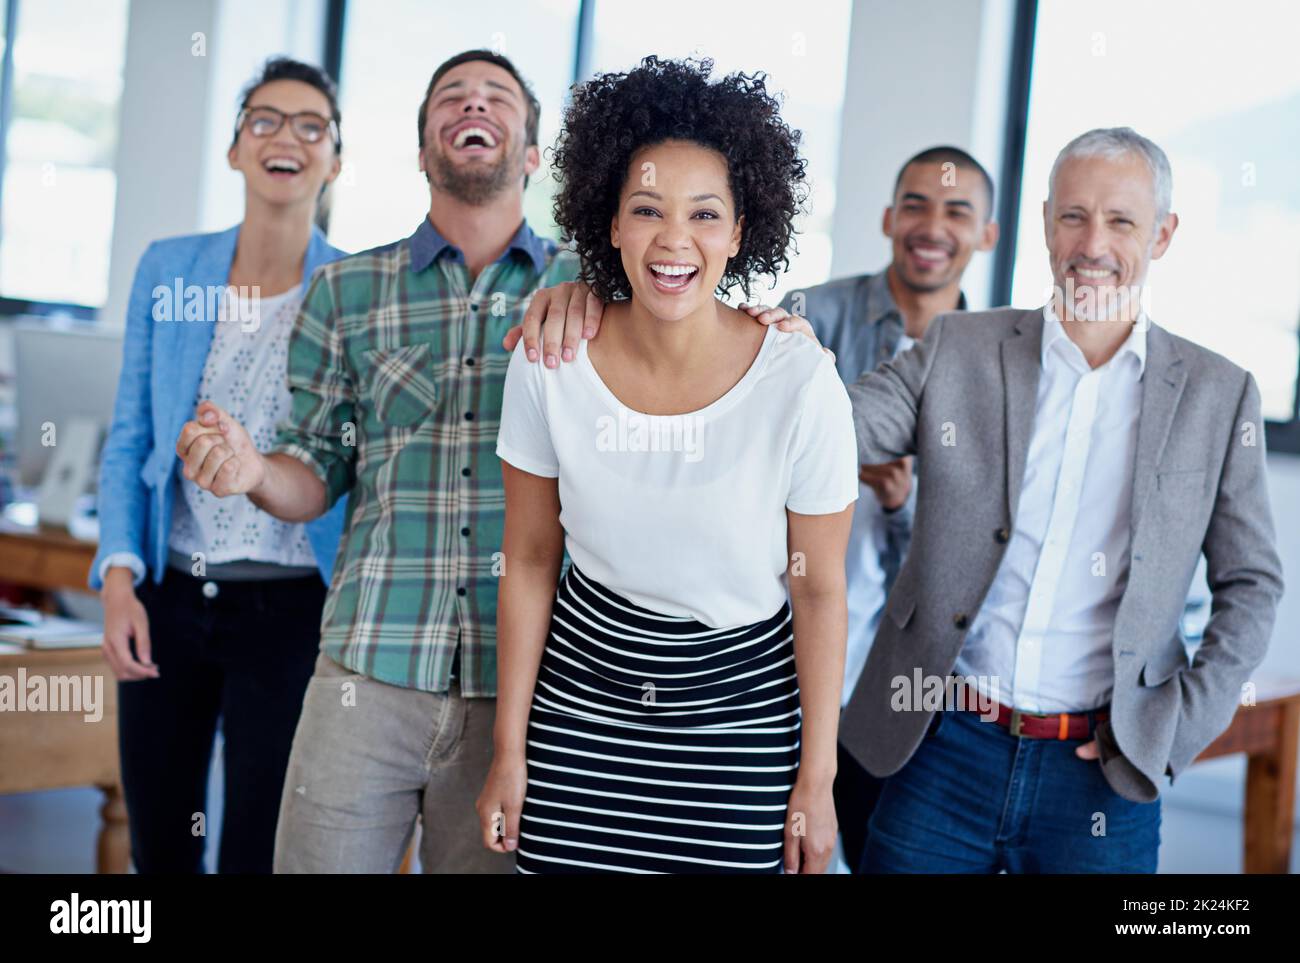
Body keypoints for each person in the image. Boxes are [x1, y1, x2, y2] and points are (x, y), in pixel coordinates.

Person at [831, 127, 1283, 872]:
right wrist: (759, 345)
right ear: (1045, 222)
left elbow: (1253, 583)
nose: (1092, 242)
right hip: (941, 746)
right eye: (1073, 215)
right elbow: (838, 428)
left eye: (1121, 221)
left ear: (1163, 235)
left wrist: (1170, 727)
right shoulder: (959, 346)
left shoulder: (1217, 393)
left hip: (1100, 779)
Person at [176, 50, 579, 873]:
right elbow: (315, 470)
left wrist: (766, 324)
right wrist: (255, 471)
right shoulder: (346, 293)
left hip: (525, 690)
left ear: (532, 153)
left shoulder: (589, 291)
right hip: (365, 669)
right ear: (424, 147)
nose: (475, 105)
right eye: (452, 98)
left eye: (499, 97)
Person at [475, 56, 858, 875]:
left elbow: (820, 587)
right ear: (609, 224)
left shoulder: (799, 381)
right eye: (646, 209)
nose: (674, 240)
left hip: (739, 731)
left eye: (705, 214)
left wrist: (816, 777)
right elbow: (532, 559)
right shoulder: (550, 362)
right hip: (580, 718)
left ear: (740, 232)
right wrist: (510, 750)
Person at [91, 57, 349, 873]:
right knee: (161, 843)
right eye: (264, 120)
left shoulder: (351, 289)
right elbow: (130, 434)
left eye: (312, 125)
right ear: (236, 148)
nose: (287, 137)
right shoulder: (170, 270)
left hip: (291, 610)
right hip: (168, 595)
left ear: (335, 161)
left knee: (257, 851)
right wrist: (121, 577)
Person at [778, 146, 998, 873]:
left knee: (873, 847)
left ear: (987, 235)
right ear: (886, 217)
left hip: (898, 680)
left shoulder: (998, 361)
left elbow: (977, 554)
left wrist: (904, 504)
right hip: (782, 650)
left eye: (957, 210)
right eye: (916, 205)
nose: (932, 225)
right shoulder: (809, 314)